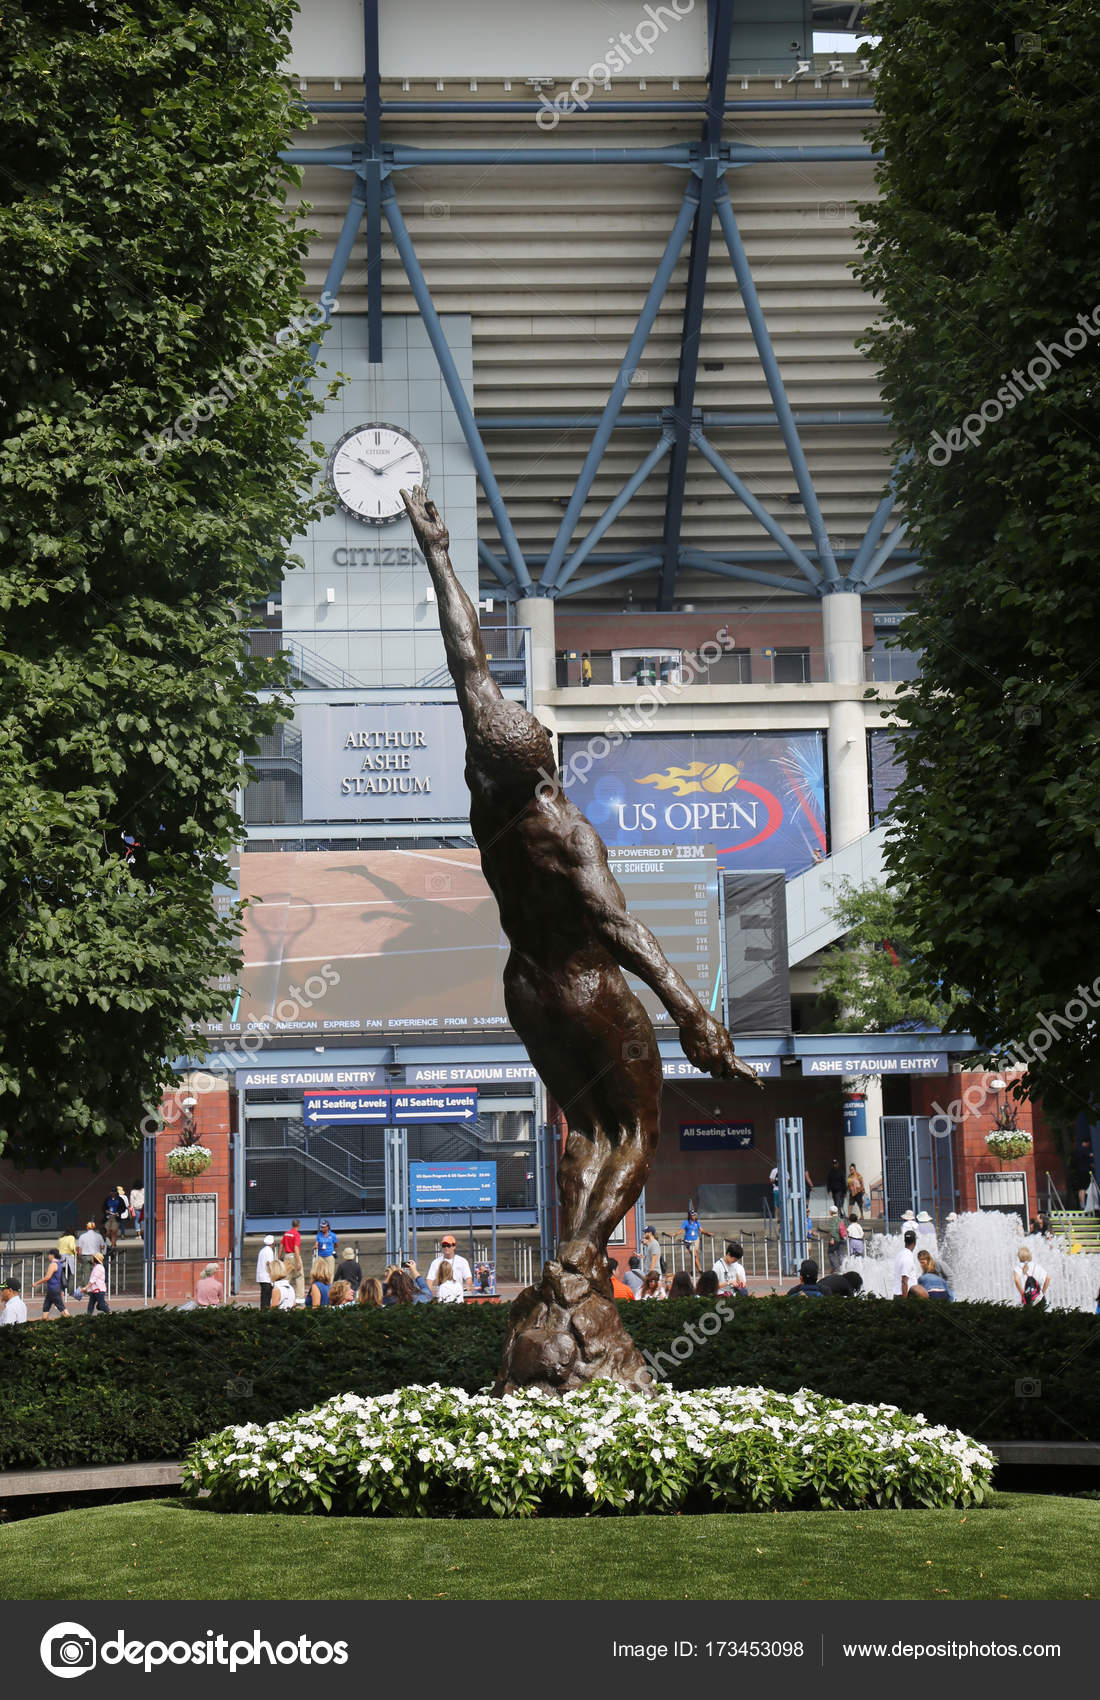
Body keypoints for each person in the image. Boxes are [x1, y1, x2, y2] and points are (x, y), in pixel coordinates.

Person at [402, 482, 757, 1390]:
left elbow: (464, 660)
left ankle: (567, 1255)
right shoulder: (565, 834)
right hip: (586, 985)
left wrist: (439, 554)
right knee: (634, 1123)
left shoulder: (488, 804)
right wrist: (693, 1014)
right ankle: (580, 1259)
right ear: (545, 765)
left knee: (581, 1127)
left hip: (523, 986)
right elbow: (619, 925)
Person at [34, 1250, 68, 1317]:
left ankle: (70, 1320)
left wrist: (36, 1283)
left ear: (52, 1255)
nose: (48, 1256)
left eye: (49, 1255)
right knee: (46, 1307)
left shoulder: (53, 1264)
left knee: (61, 1307)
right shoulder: (59, 1263)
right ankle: (44, 1321)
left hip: (53, 1289)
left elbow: (47, 1277)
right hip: (53, 1289)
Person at [893, 1228, 919, 1299]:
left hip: (900, 1294)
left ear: (904, 1241)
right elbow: (904, 1281)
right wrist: (905, 1303)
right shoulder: (907, 1257)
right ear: (914, 1242)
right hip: (904, 1296)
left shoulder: (900, 1254)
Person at [76, 1220, 105, 1286]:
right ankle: (97, 1287)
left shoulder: (82, 1236)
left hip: (85, 1256)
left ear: (87, 1227)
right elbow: (103, 1246)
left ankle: (88, 1289)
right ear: (94, 1227)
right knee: (97, 1272)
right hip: (96, 1256)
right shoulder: (99, 1236)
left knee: (86, 1274)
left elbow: (79, 1249)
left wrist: (79, 1258)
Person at [679, 1206, 703, 1276]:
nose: (694, 1216)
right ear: (690, 1215)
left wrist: (708, 1233)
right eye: (692, 1215)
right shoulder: (686, 1222)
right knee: (694, 1255)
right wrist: (674, 1234)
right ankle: (700, 1270)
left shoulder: (697, 1222)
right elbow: (681, 1230)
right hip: (688, 1241)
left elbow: (701, 1230)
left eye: (694, 1215)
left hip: (696, 1240)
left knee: (694, 1255)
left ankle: (692, 1270)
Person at [255, 1235, 275, 1309]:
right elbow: (269, 1263)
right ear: (272, 1243)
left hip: (261, 1276)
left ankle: (263, 1309)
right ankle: (265, 1310)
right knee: (267, 1296)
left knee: (263, 1295)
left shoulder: (262, 1250)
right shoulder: (269, 1251)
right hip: (267, 1277)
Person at [825, 1205, 847, 1273]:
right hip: (842, 1239)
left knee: (830, 1253)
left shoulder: (832, 1220)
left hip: (835, 1239)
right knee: (841, 1254)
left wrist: (832, 1238)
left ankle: (835, 1267)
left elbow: (833, 1230)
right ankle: (843, 1268)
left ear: (831, 1212)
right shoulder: (840, 1219)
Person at [57, 1228, 77, 1295]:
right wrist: (75, 1252)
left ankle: (61, 1290)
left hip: (60, 1258)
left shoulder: (61, 1239)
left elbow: (58, 1249)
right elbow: (71, 1247)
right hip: (68, 1258)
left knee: (62, 1275)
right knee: (67, 1275)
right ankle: (65, 1290)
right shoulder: (71, 1237)